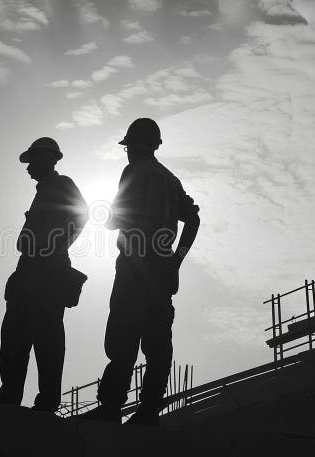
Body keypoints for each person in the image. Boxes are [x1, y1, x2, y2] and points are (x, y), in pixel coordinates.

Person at [79, 118, 200, 426]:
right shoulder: (170, 180)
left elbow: (113, 220)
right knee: (157, 344)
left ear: (136, 146)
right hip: (162, 270)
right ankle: (148, 412)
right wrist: (176, 262)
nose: (127, 153)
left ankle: (111, 408)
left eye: (129, 147)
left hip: (134, 267)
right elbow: (194, 220)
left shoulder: (134, 171)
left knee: (123, 338)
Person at [0, 137, 89, 413]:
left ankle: (47, 402)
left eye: (32, 161)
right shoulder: (45, 191)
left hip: (47, 274)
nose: (28, 168)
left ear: (47, 159)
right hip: (27, 272)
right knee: (14, 339)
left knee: (47, 339)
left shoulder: (62, 185)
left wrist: (54, 246)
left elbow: (81, 215)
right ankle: (9, 399)